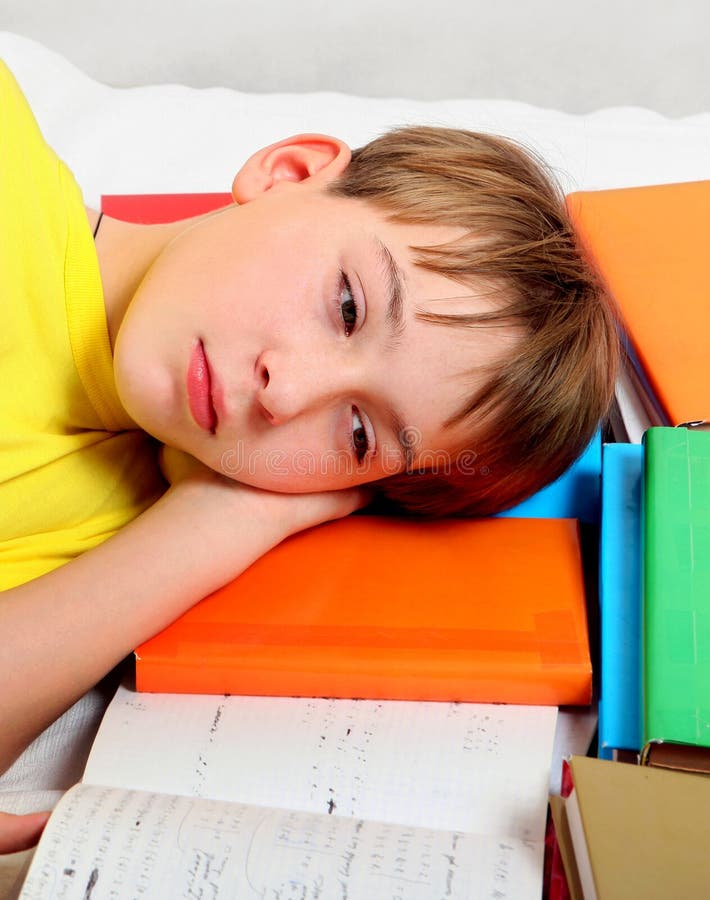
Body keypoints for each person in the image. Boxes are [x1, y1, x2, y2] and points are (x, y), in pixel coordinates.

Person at [0, 61, 618, 848]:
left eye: (359, 433)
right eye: (349, 305)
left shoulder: (114, 543)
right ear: (288, 172)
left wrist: (224, 521)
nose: (284, 392)